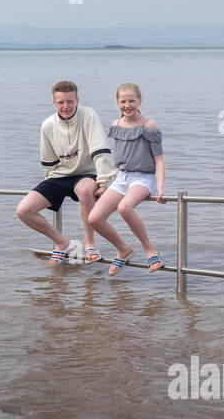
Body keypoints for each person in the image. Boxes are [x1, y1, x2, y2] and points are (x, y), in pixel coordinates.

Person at [15, 79, 123, 264]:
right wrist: (51, 189)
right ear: (54, 103)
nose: (66, 106)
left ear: (77, 100)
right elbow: (48, 160)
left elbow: (100, 148)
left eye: (70, 101)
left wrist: (104, 182)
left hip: (87, 172)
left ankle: (89, 242)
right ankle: (61, 242)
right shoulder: (48, 124)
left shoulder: (88, 115)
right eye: (61, 102)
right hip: (60, 175)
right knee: (24, 210)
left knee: (83, 190)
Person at [89, 82, 166, 275]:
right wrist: (104, 183)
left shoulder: (149, 125)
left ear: (140, 101)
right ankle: (124, 249)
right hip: (121, 178)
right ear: (117, 103)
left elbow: (159, 161)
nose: (127, 105)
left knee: (124, 207)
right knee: (94, 218)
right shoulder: (116, 125)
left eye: (131, 100)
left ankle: (150, 250)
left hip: (144, 178)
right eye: (123, 101)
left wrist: (161, 187)